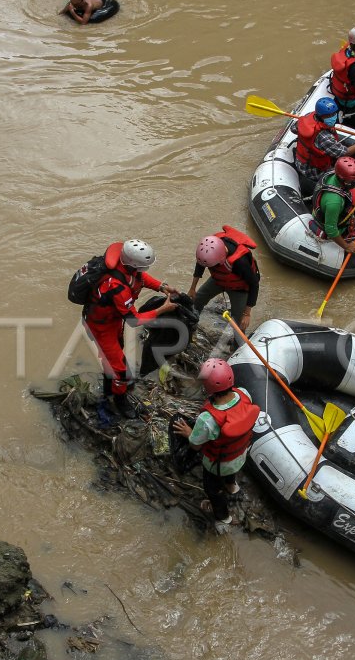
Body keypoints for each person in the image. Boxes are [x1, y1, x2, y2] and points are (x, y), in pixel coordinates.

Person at [82, 239, 178, 418]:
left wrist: (162, 287)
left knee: (116, 355)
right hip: (101, 328)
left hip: (112, 322)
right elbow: (134, 320)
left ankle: (110, 387)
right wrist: (162, 310)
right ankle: (119, 401)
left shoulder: (124, 266)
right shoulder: (117, 287)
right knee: (121, 371)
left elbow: (139, 279)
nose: (144, 271)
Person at [172, 359, 260, 530]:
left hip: (216, 466)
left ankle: (223, 517)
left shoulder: (208, 419)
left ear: (208, 388)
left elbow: (196, 446)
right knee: (230, 473)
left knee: (213, 491)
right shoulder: (244, 394)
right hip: (240, 456)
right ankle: (232, 487)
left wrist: (188, 432)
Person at [188, 226, 261, 335]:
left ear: (221, 259)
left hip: (239, 287)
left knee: (239, 321)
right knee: (197, 299)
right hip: (218, 279)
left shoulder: (240, 262)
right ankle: (191, 328)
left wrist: (247, 314)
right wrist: (192, 288)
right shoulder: (207, 250)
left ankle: (236, 345)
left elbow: (254, 284)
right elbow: (200, 265)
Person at [294, 97, 355, 189]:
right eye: (328, 116)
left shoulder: (309, 116)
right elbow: (345, 152)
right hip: (313, 170)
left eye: (334, 113)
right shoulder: (324, 137)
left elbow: (294, 128)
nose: (332, 117)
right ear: (321, 116)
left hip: (308, 159)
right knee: (345, 178)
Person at [308, 157, 355, 255]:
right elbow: (331, 230)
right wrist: (347, 246)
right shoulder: (335, 202)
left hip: (327, 211)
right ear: (347, 182)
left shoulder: (335, 175)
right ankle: (349, 231)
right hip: (333, 224)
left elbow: (352, 189)